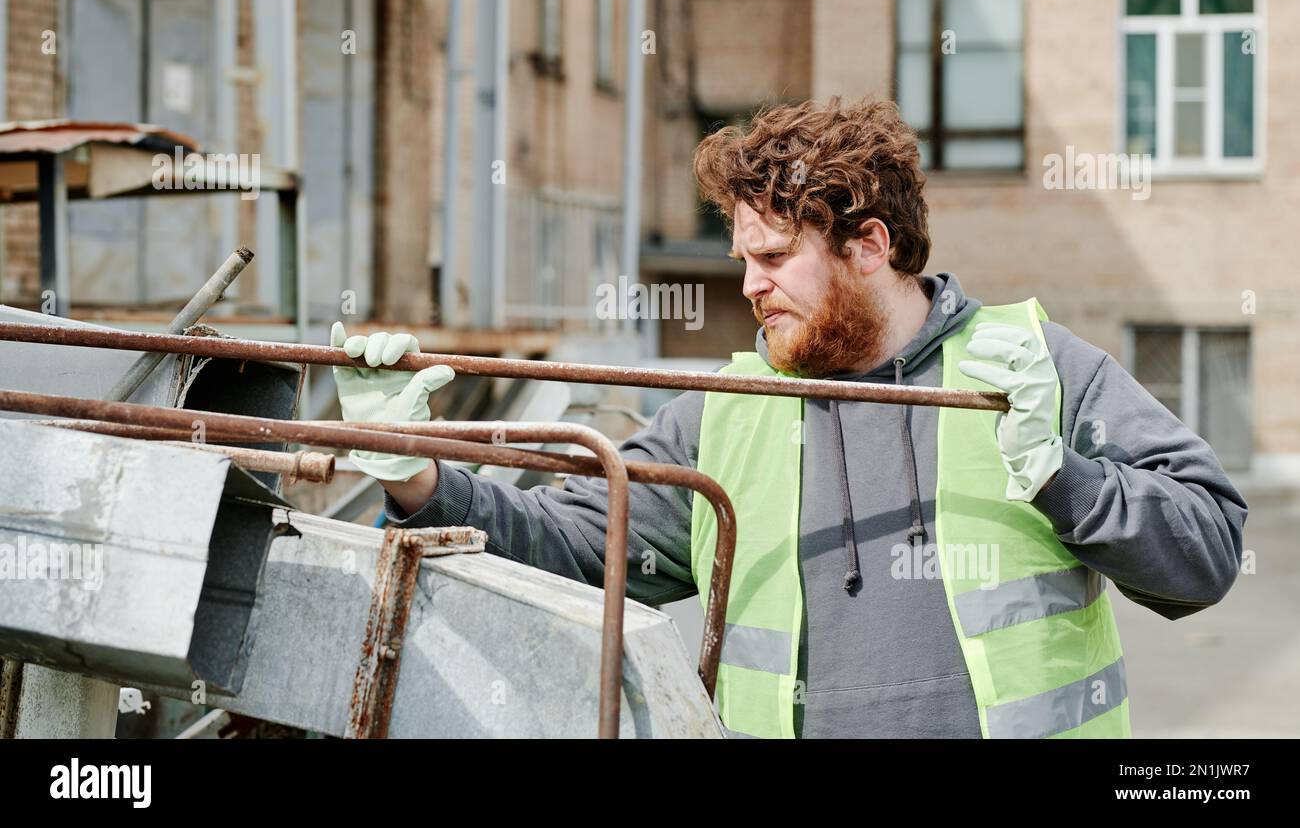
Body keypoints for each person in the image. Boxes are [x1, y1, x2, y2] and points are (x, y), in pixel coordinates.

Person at [331, 97, 1247, 739]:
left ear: (869, 245)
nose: (748, 286)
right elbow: (575, 546)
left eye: (773, 255)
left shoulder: (1034, 369)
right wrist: (409, 469)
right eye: (741, 258)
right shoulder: (733, 413)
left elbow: (1207, 555)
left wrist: (1063, 476)